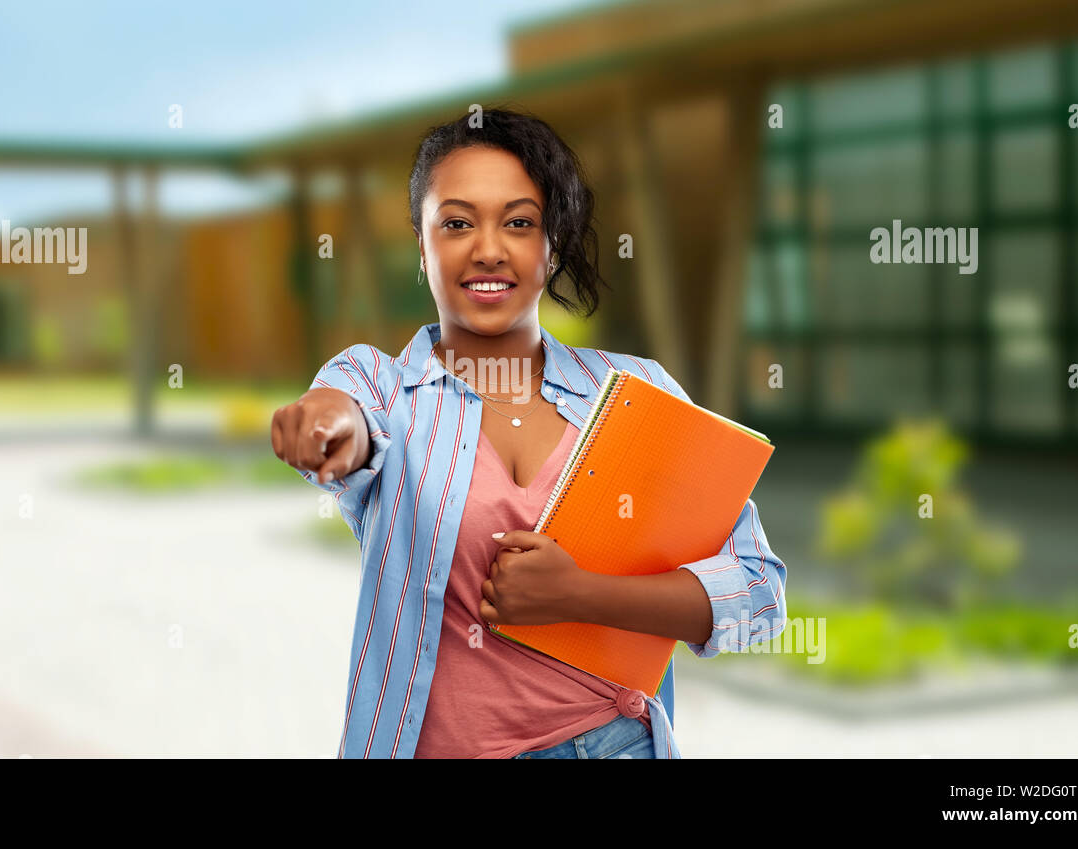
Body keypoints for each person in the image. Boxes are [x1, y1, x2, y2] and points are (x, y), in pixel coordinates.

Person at [271, 107, 787, 759]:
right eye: (457, 223)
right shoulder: (383, 385)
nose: (488, 248)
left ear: (553, 243)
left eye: (519, 222)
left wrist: (578, 594)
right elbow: (345, 417)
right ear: (421, 242)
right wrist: (324, 427)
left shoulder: (638, 392)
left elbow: (758, 593)